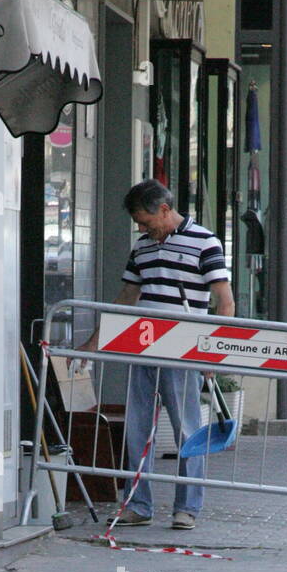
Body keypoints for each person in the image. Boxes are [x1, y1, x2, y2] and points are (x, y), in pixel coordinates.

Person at [77, 180, 234, 529]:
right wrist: (94, 341)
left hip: (183, 350)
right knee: (136, 429)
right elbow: (127, 295)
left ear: (164, 209)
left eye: (146, 221)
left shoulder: (205, 242)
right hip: (143, 347)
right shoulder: (143, 246)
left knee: (187, 430)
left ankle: (188, 507)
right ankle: (138, 505)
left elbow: (225, 300)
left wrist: (214, 354)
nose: (142, 228)